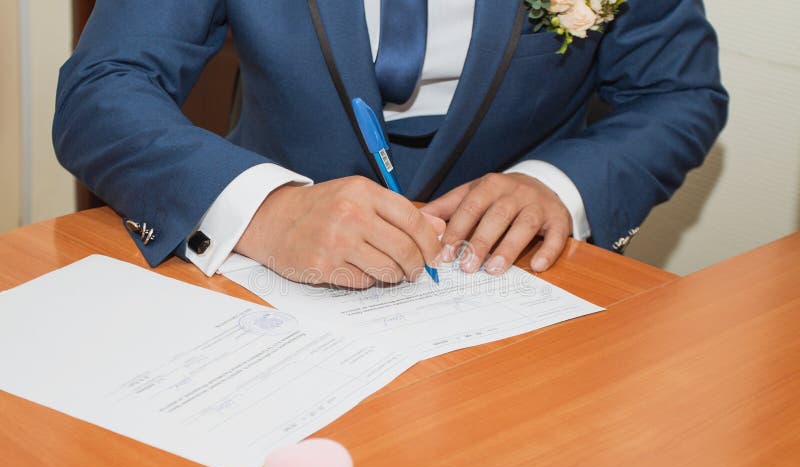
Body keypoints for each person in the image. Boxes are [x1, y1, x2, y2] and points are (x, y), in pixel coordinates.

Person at [53, 0, 727, 289]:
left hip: (514, 282)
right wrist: (267, 211)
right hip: (264, 278)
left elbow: (678, 94)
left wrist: (557, 185)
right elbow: (102, 86)